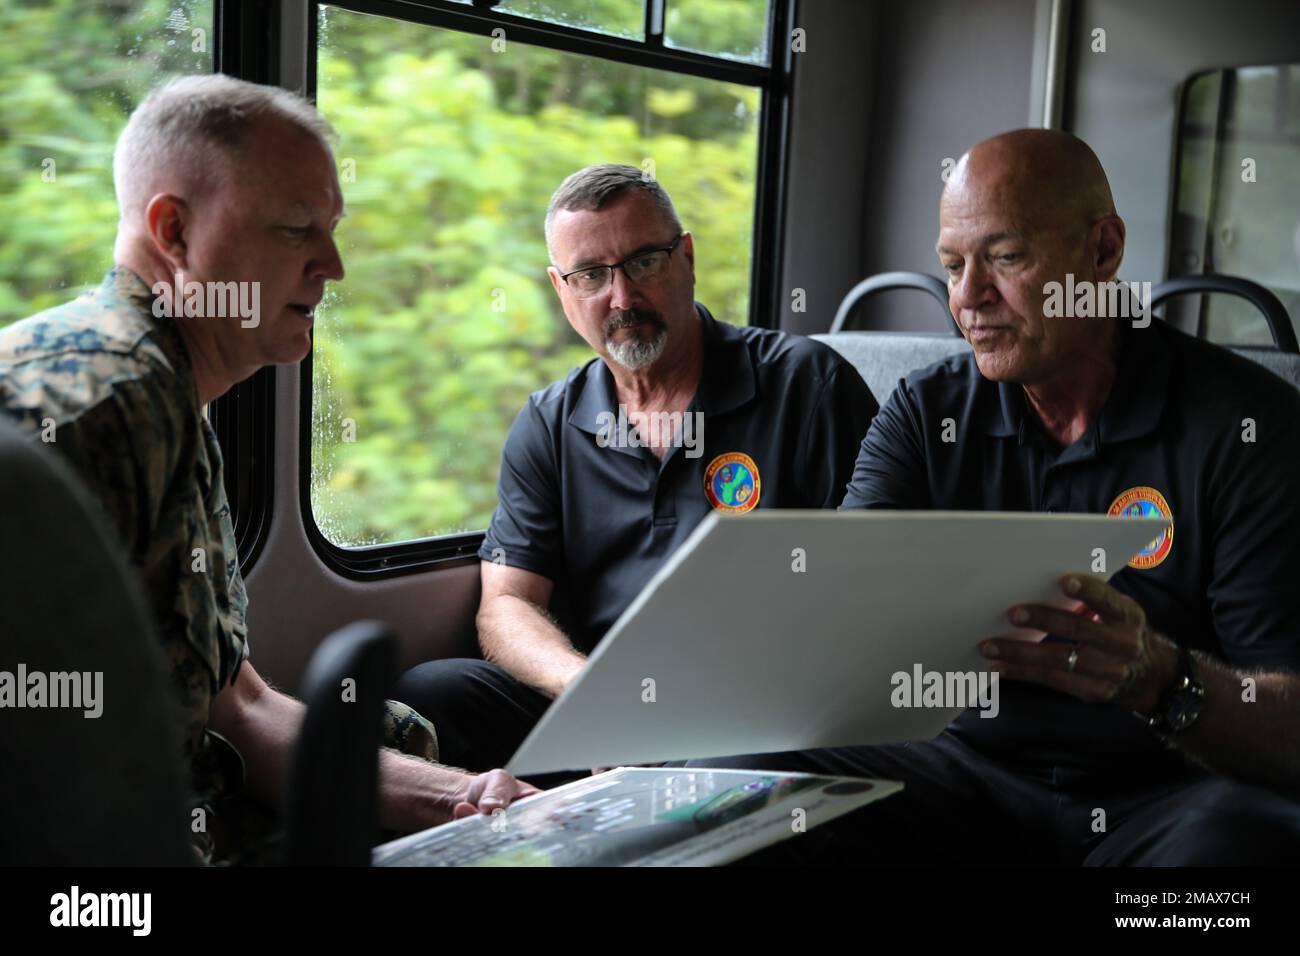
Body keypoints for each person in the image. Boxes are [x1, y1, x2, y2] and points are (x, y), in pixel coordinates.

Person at [692, 129, 1300, 865]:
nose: (968, 298)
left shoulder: (1247, 427)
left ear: (1102, 251)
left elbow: (1288, 726)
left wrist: (1159, 678)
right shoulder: (925, 412)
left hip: (1170, 791)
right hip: (960, 769)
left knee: (1239, 856)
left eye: (1006, 258)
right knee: (739, 795)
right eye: (952, 266)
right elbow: (842, 617)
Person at [0, 74, 535, 863]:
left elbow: (237, 705)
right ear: (173, 231)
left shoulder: (173, 400)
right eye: (296, 230)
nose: (334, 265)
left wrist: (469, 798)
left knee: (407, 731)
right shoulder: (106, 408)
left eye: (332, 228)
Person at [396, 164, 878, 771]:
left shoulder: (808, 385)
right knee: (432, 693)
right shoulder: (549, 422)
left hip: (758, 712)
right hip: (604, 706)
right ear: (562, 290)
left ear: (688, 259)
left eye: (644, 262)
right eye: (592, 275)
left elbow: (872, 592)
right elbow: (506, 606)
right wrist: (589, 691)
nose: (622, 297)